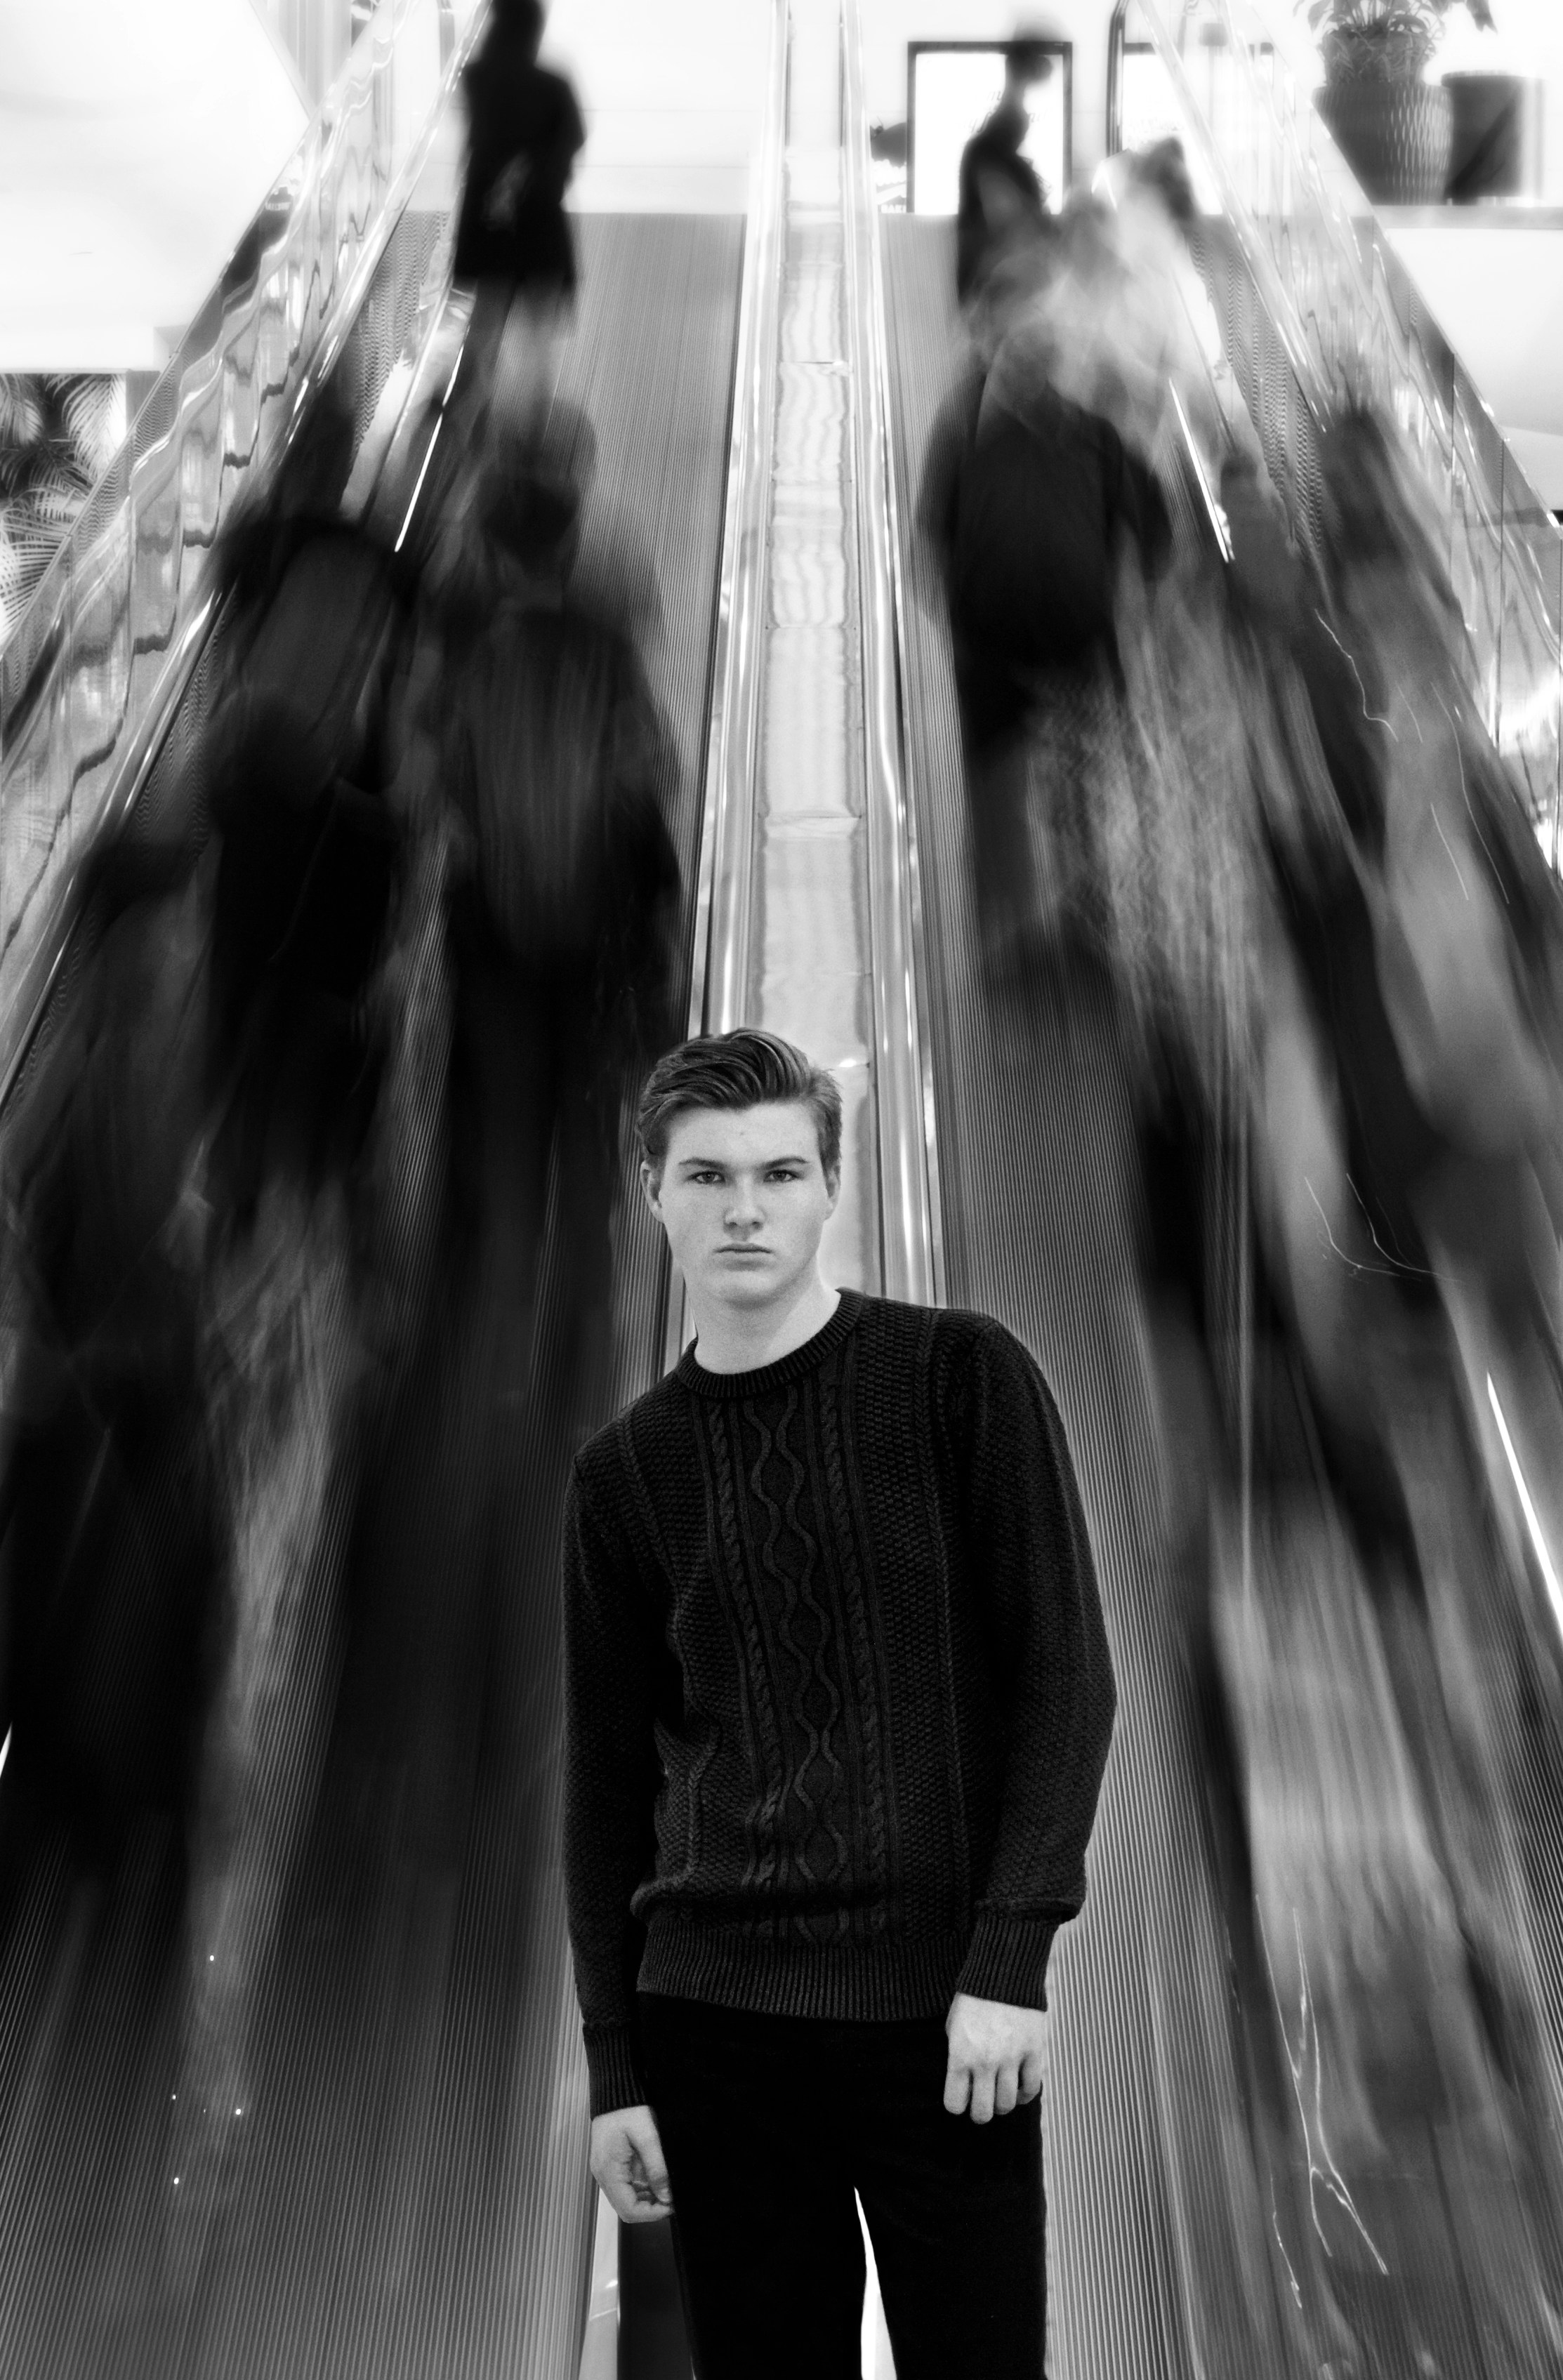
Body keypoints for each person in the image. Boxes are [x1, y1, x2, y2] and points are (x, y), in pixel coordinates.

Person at [562, 1028, 1116, 2379]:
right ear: (653, 1191)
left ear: (830, 1187)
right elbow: (602, 1791)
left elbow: (1066, 1677)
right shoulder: (624, 1473)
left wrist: (1010, 1957)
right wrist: (616, 2065)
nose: (743, 1208)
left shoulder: (959, 1380)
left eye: (777, 1172)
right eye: (705, 1177)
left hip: (944, 2023)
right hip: (713, 2023)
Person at [450, 0, 586, 448]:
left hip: (488, 217)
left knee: (487, 314)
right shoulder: (554, 85)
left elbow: (474, 140)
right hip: (539, 215)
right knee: (540, 322)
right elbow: (573, 140)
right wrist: (538, 175)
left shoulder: (474, 78)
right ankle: (533, 424)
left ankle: (472, 416)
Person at [956, 37, 1054, 308]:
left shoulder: (989, 159)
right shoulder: (989, 159)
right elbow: (1007, 222)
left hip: (995, 294)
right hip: (998, 296)